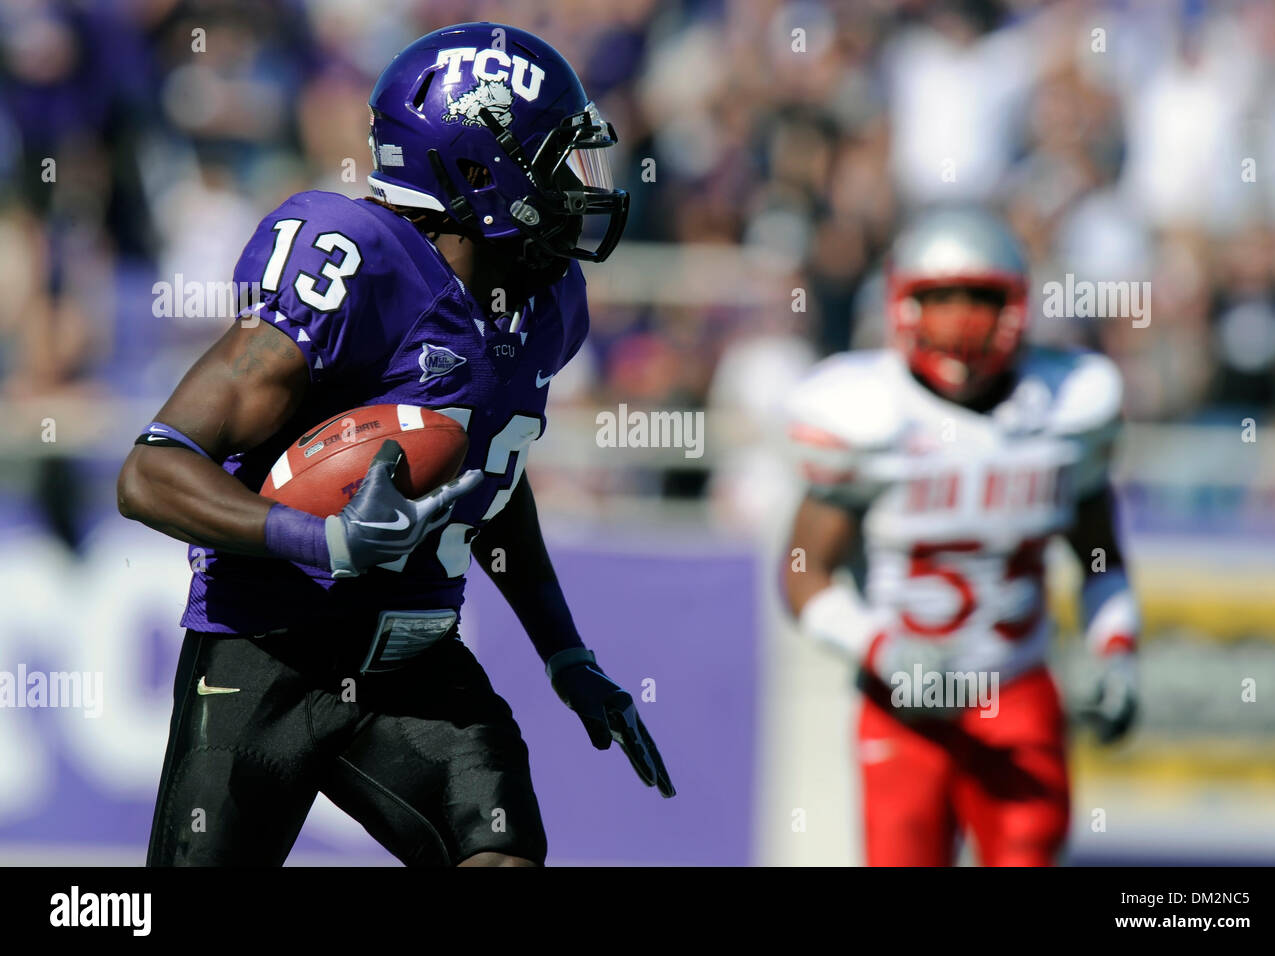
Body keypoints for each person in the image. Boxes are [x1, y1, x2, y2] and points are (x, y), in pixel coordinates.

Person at [117, 21, 674, 868]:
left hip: (412, 656)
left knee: (501, 851)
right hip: (266, 652)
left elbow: (489, 475)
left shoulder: (545, 298)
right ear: (480, 170)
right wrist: (319, 537)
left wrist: (564, 652)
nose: (582, 185)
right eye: (560, 160)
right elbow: (151, 470)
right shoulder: (357, 262)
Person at [781, 206, 1138, 866]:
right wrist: (880, 647)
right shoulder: (864, 413)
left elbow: (1100, 559)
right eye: (940, 298)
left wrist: (1115, 649)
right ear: (901, 304)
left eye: (979, 297)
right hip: (904, 705)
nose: (961, 319)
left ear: (1016, 304)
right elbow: (802, 573)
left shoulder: (1068, 408)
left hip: (1016, 687)